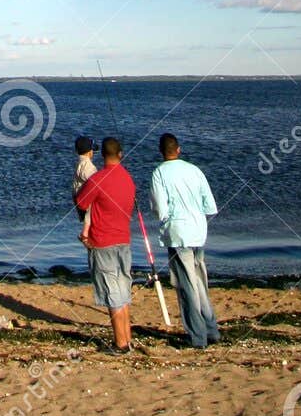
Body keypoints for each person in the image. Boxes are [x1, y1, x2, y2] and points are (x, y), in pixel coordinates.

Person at [149, 132, 220, 349]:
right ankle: (211, 330)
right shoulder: (195, 170)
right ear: (178, 149)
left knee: (187, 285)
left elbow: (160, 210)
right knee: (199, 281)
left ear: (161, 151)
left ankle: (197, 336)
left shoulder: (159, 173)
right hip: (198, 231)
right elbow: (210, 206)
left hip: (179, 234)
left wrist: (166, 217)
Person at [74, 135, 136, 352]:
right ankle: (126, 338)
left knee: (113, 292)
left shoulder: (98, 179)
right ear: (120, 154)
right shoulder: (128, 178)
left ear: (102, 155)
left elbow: (81, 202)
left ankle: (120, 343)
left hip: (103, 242)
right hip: (123, 241)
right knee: (123, 289)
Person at [72, 135, 96, 245]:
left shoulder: (79, 163)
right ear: (90, 152)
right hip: (85, 201)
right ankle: (85, 234)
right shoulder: (88, 166)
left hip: (78, 198)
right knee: (93, 210)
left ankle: (87, 235)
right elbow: (96, 183)